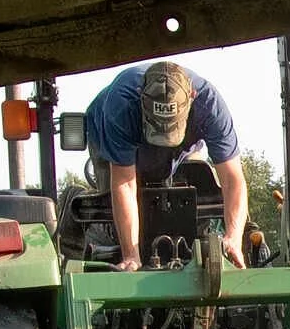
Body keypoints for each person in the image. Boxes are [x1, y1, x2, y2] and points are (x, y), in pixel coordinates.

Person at [83, 61, 248, 270]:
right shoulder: (120, 104)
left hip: (183, 149)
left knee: (201, 196)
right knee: (113, 220)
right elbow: (124, 184)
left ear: (192, 96)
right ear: (140, 98)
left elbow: (233, 180)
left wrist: (234, 238)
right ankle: (121, 250)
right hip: (115, 143)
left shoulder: (210, 105)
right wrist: (131, 255)